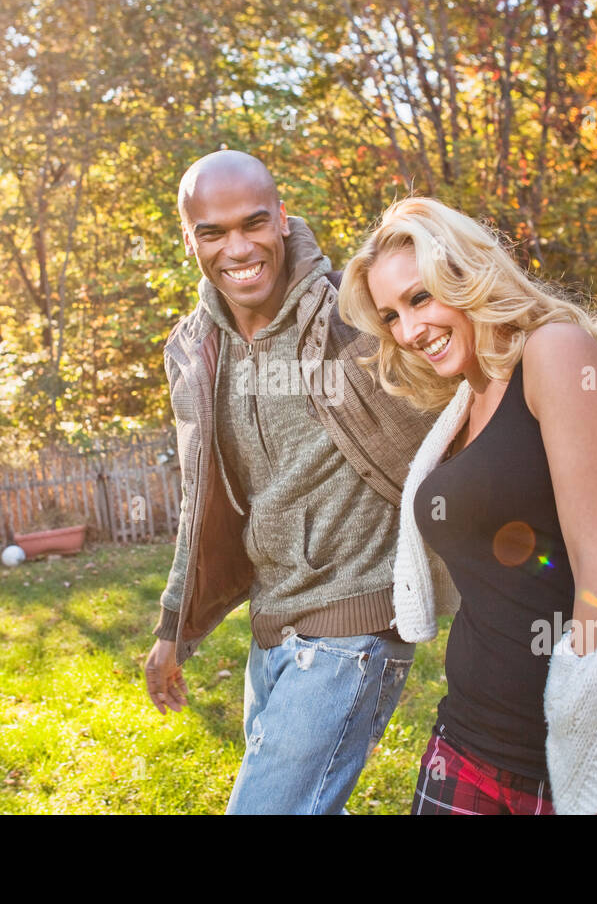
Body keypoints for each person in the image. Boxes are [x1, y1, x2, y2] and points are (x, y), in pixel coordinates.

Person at [338, 196, 597, 815]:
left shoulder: (555, 352)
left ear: (467, 276)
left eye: (419, 298)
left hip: (563, 755)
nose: (407, 332)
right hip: (464, 738)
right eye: (390, 316)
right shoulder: (468, 398)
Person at [144, 150, 438, 814]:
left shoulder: (356, 314)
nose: (238, 247)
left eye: (253, 223)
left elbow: (467, 370)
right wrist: (174, 628)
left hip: (354, 623)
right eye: (213, 233)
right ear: (188, 240)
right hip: (270, 623)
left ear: (281, 218)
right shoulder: (193, 349)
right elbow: (201, 496)